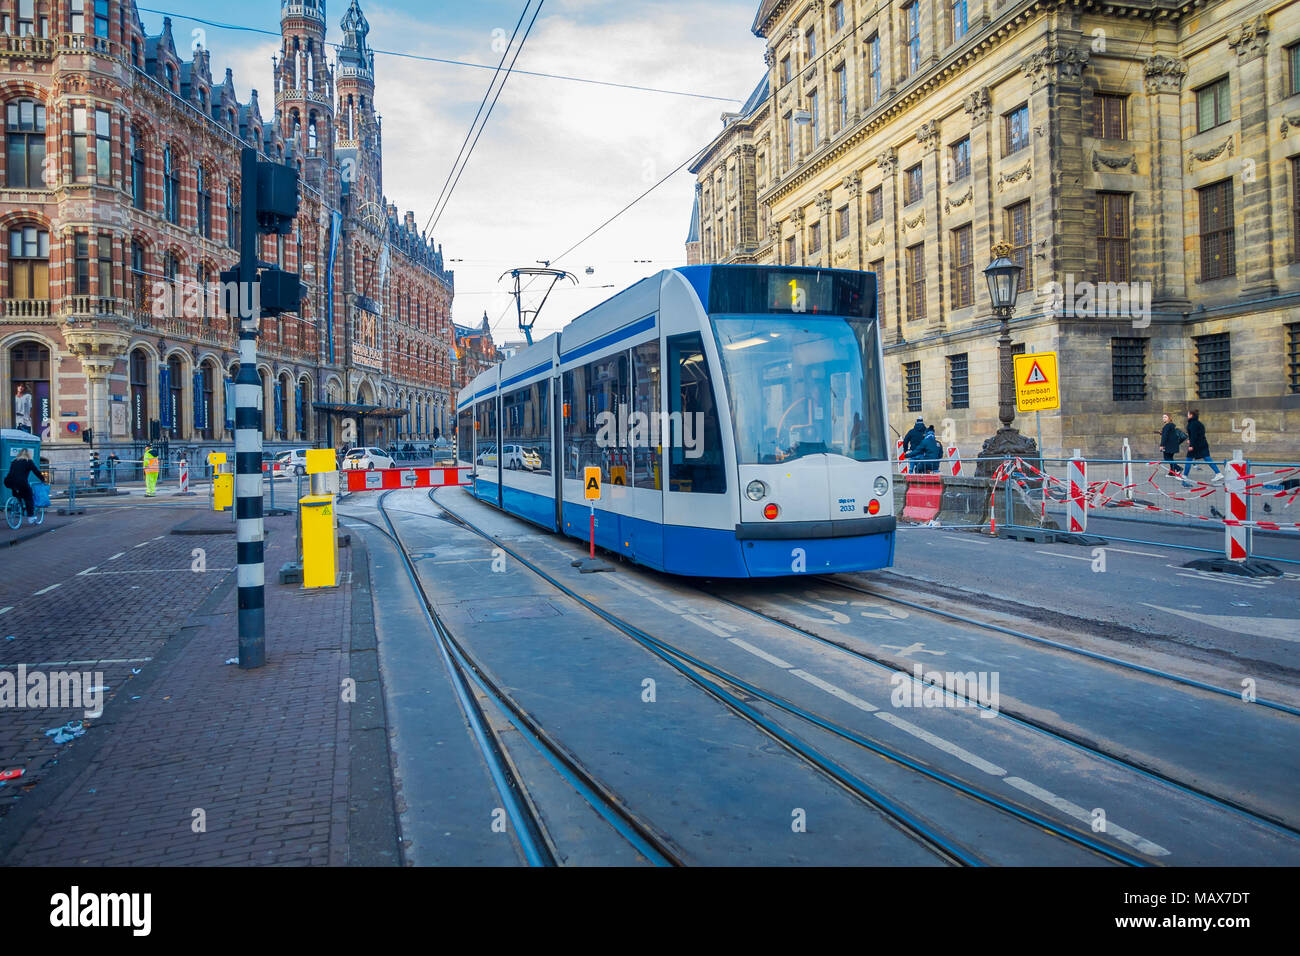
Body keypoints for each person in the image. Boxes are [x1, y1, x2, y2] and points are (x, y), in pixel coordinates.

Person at [1183, 409, 1222, 483]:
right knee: (1207, 458)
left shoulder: (1193, 423)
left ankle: (1185, 476)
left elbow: (1194, 435)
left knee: (1189, 459)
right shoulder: (1197, 423)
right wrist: (1191, 440)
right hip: (1201, 444)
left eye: (1188, 414)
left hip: (1197, 445)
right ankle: (1218, 473)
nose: (1187, 416)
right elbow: (1197, 434)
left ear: (1191, 415)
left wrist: (1191, 444)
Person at [4, 448, 41, 524]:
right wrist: (43, 479)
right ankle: (30, 517)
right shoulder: (28, 461)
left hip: (9, 482)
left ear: (19, 454)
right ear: (28, 454)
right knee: (29, 497)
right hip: (21, 482)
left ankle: (17, 507)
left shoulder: (14, 461)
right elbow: (36, 471)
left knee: (18, 493)